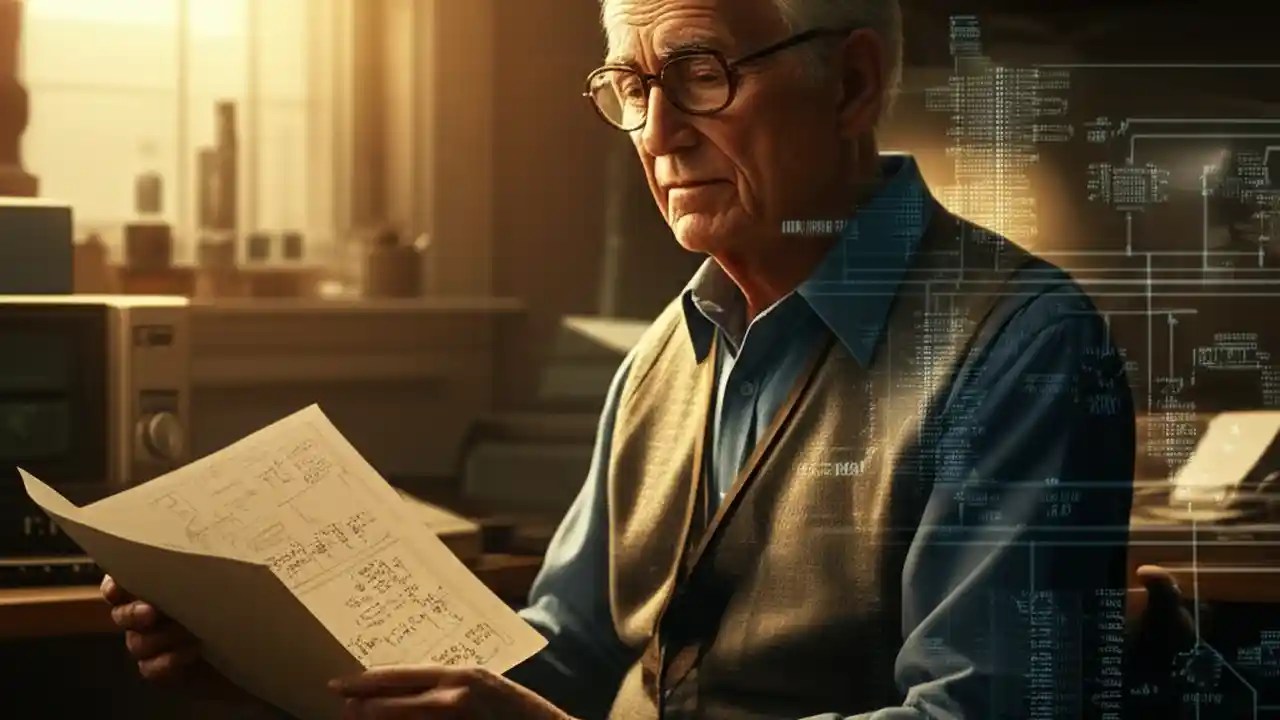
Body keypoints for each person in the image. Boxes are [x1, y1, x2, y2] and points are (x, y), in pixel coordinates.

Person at [104, 0, 1141, 717]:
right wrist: (257, 672)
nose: (655, 132)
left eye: (699, 74)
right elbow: (551, 655)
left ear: (852, 82)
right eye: (627, 84)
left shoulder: (1022, 349)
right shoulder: (663, 354)